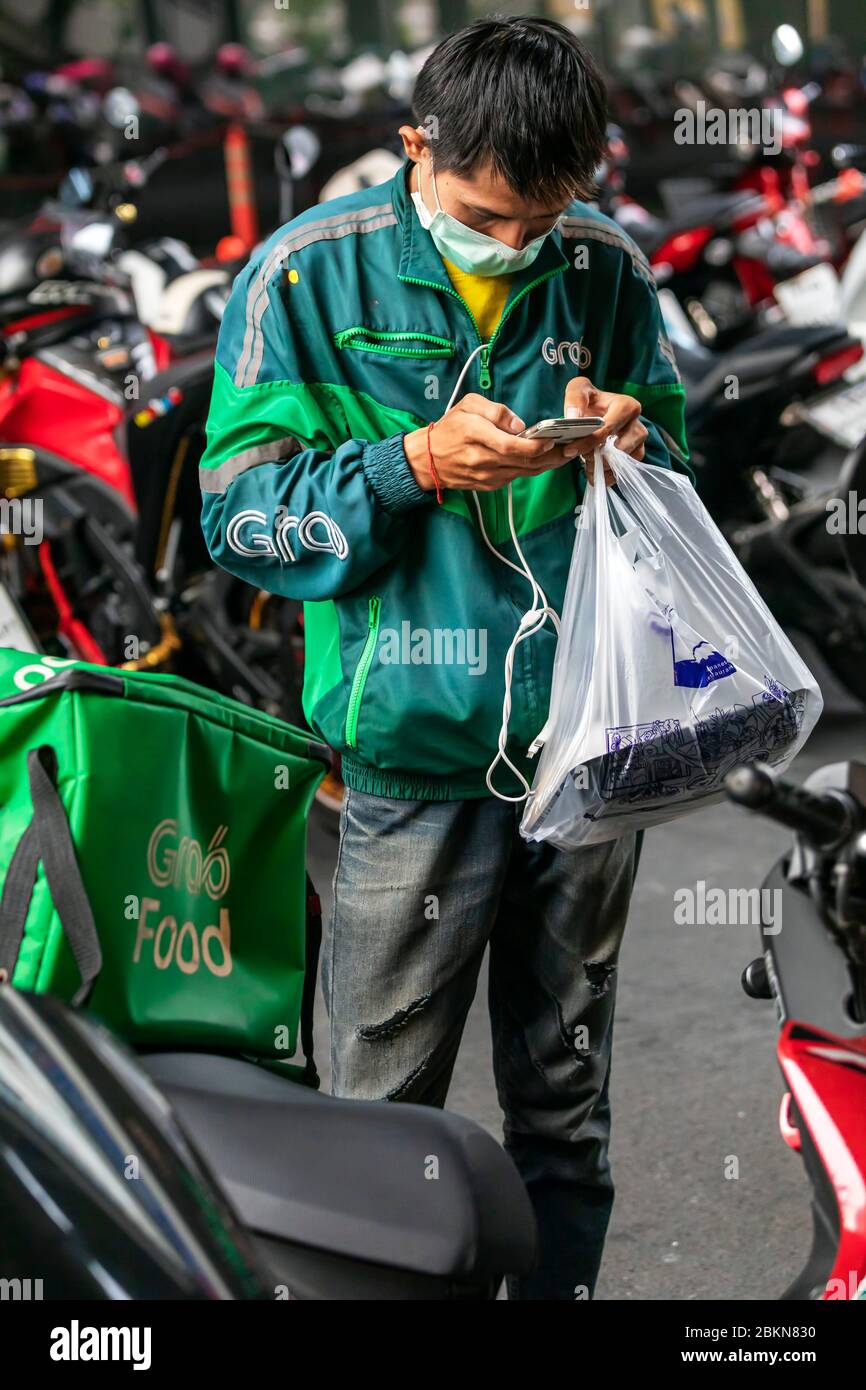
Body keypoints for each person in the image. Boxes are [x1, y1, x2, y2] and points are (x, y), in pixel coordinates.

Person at [200, 15, 689, 1300]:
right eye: (488, 215)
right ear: (414, 145)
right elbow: (240, 513)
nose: (520, 245)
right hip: (411, 755)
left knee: (564, 1108)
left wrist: (639, 445)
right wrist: (406, 464)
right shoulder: (305, 278)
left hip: (588, 752)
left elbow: (682, 479)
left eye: (546, 217)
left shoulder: (604, 270)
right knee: (374, 1111)